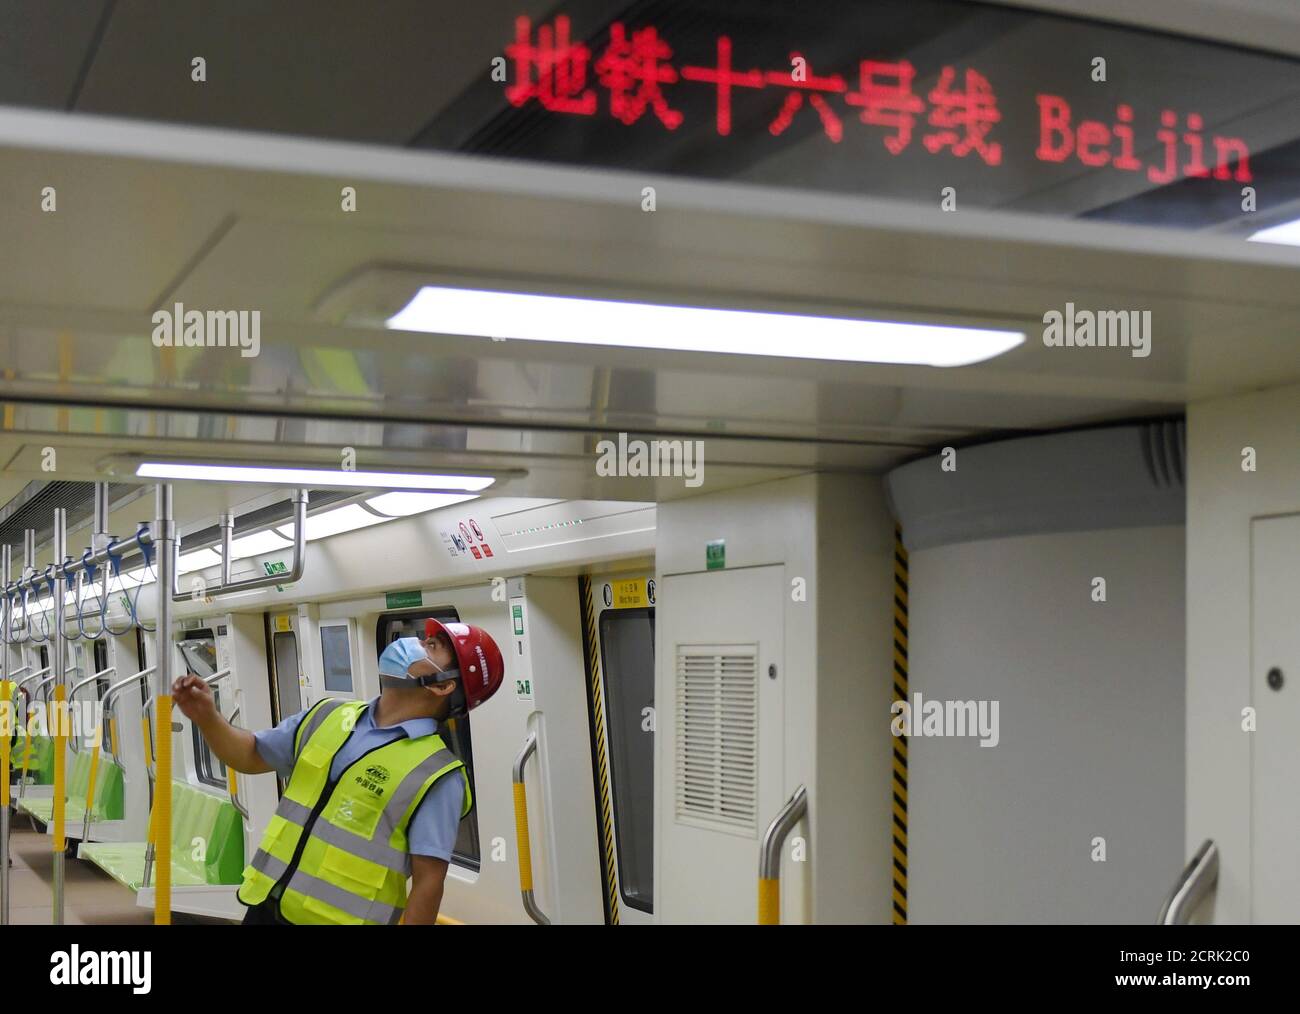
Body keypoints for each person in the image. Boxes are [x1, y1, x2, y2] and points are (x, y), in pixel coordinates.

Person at [172, 619, 504, 925]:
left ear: (442, 686)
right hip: (266, 905)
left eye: (432, 646)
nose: (414, 642)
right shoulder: (329, 715)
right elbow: (250, 756)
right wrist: (207, 717)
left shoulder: (437, 775)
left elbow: (429, 880)